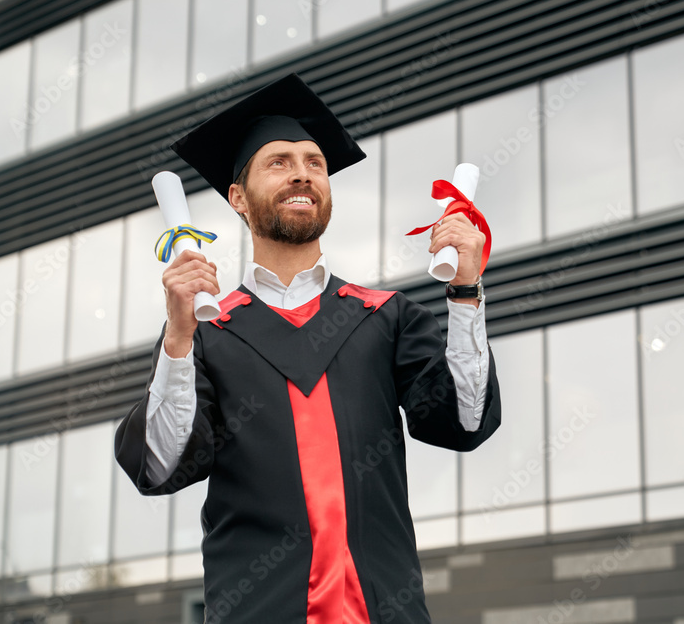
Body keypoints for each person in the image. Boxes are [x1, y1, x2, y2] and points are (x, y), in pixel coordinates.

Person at [114, 73, 501, 623]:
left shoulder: (384, 315)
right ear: (238, 198)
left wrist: (464, 294)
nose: (301, 171)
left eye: (314, 162)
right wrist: (177, 338)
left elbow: (463, 422)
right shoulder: (207, 330)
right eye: (279, 161)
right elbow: (159, 464)